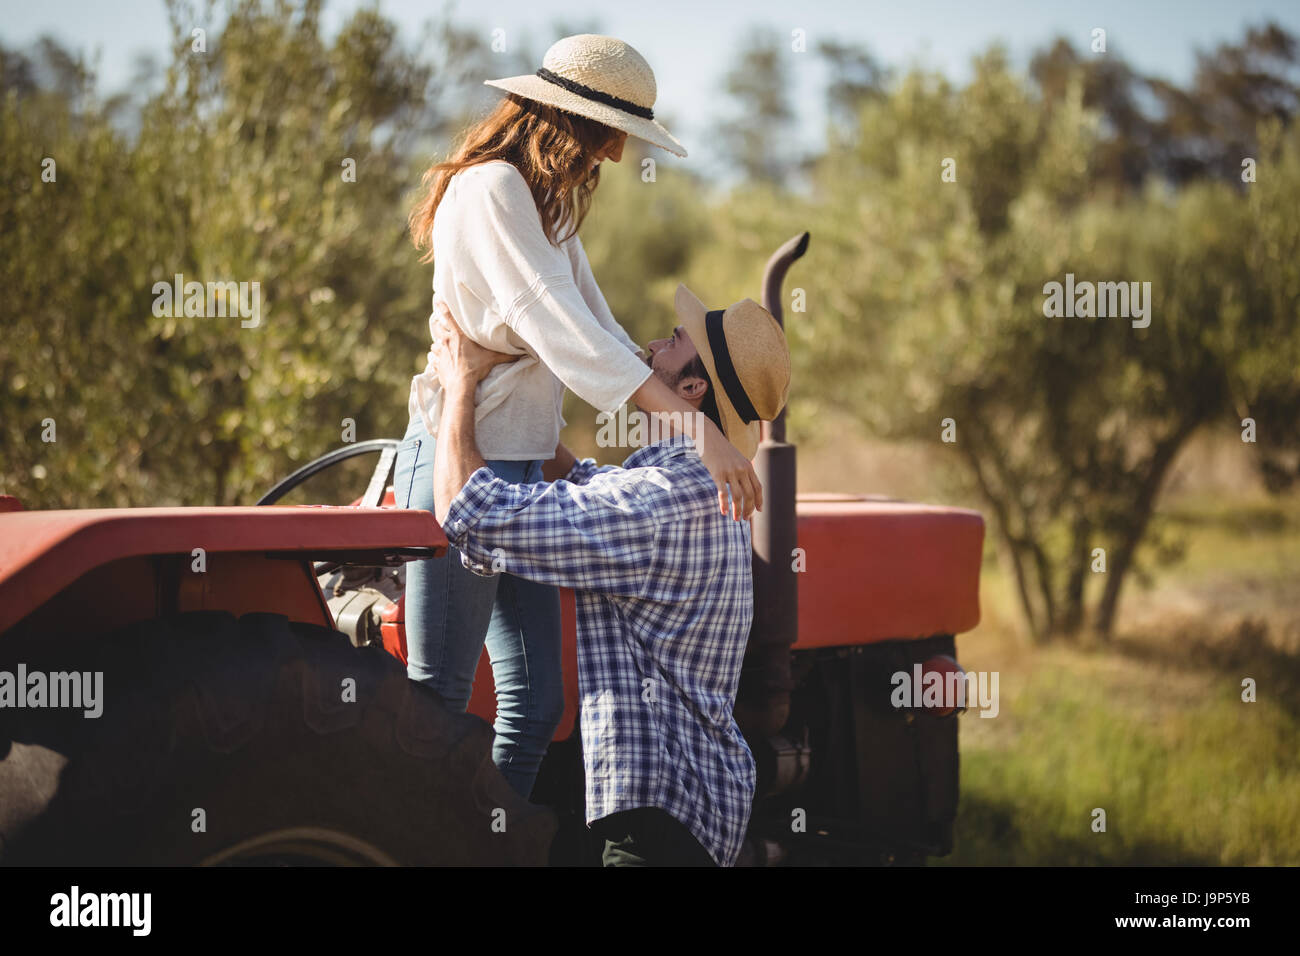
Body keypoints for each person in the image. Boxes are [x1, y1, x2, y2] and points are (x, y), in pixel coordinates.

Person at [394, 34, 761, 800]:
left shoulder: (546, 207)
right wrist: (699, 429)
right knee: (439, 696)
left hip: (521, 465)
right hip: (466, 454)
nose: (612, 159)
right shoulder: (493, 189)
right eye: (607, 139)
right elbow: (560, 331)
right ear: (569, 122)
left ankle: (492, 849)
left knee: (536, 704)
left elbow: (605, 335)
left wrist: (691, 430)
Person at [427, 283, 791, 867]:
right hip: (691, 815)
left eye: (673, 342)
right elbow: (586, 486)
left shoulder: (662, 503)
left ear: (692, 389)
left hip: (657, 829)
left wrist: (460, 387)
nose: (652, 344)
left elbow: (472, 515)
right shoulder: (696, 490)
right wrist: (529, 396)